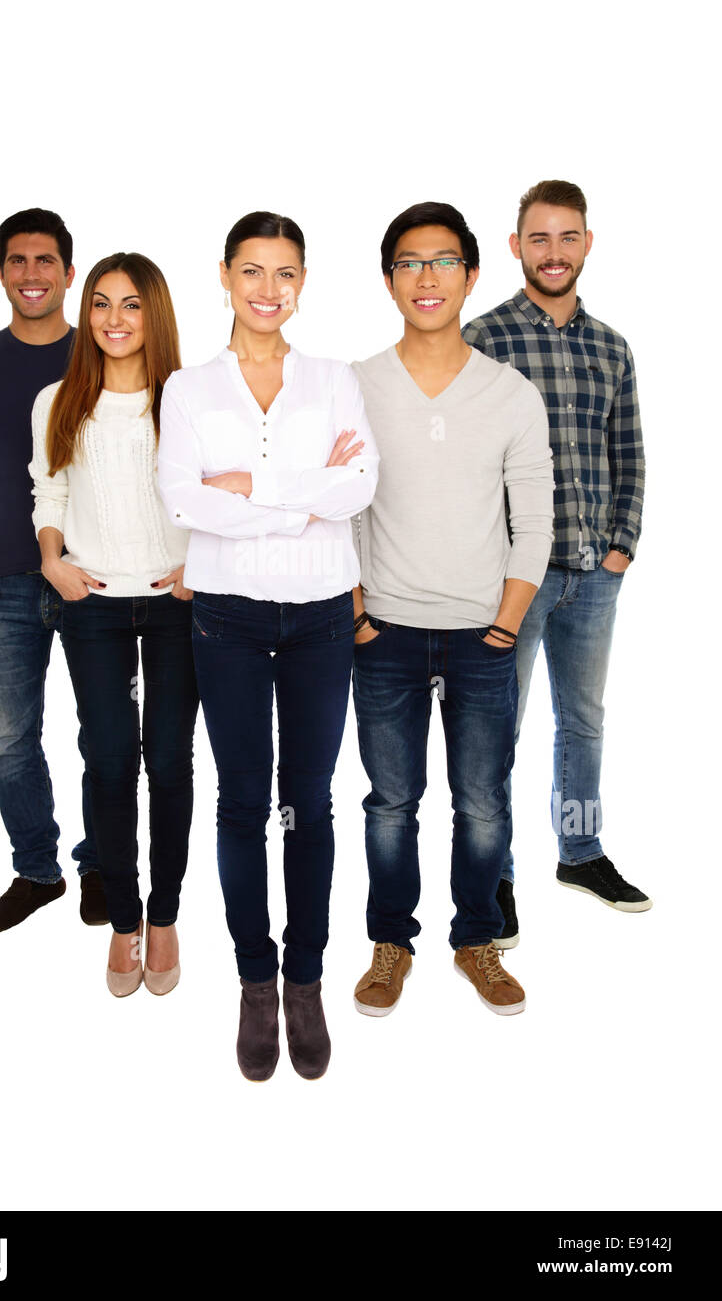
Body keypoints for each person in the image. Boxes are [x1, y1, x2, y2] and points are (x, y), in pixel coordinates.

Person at [158, 211, 379, 1079]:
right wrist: (306, 494)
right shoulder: (189, 388)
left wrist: (252, 486)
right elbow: (185, 502)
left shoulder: (333, 379)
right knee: (243, 803)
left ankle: (305, 977)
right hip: (227, 616)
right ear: (224, 276)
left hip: (323, 610)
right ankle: (256, 981)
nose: (267, 290)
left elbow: (359, 486)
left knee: (311, 801)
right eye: (252, 272)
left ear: (303, 282)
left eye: (284, 274)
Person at [350, 202, 554, 1018]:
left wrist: (505, 622)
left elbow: (534, 521)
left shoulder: (509, 394)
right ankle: (390, 944)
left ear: (472, 275)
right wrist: (360, 613)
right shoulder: (358, 385)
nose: (426, 277)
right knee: (390, 804)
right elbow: (342, 512)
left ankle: (476, 938)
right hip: (384, 633)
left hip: (482, 635)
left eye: (442, 261)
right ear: (389, 280)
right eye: (408, 262)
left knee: (483, 801)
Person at [462, 180, 650, 943]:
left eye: (567, 237)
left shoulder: (611, 346)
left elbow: (628, 452)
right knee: (495, 730)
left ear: (587, 244)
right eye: (538, 238)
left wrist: (621, 546)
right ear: (515, 247)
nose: (553, 252)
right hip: (514, 580)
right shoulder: (485, 338)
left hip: (593, 577)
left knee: (584, 722)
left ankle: (580, 850)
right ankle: (494, 872)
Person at [30, 253, 199, 998]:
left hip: (176, 603)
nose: (114, 320)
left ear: (153, 315)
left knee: (167, 760)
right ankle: (124, 921)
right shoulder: (58, 399)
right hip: (91, 600)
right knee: (108, 761)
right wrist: (51, 559)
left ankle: (164, 917)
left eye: (131, 306)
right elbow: (50, 489)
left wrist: (200, 564)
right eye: (100, 303)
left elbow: (214, 496)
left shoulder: (188, 400)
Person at [0, 208, 106, 933]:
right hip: (6, 583)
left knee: (104, 733)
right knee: (12, 739)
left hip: (95, 576)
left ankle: (101, 866)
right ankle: (37, 871)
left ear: (70, 273)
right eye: (18, 260)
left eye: (46, 260)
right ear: (2, 270)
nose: (31, 273)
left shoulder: (101, 350)